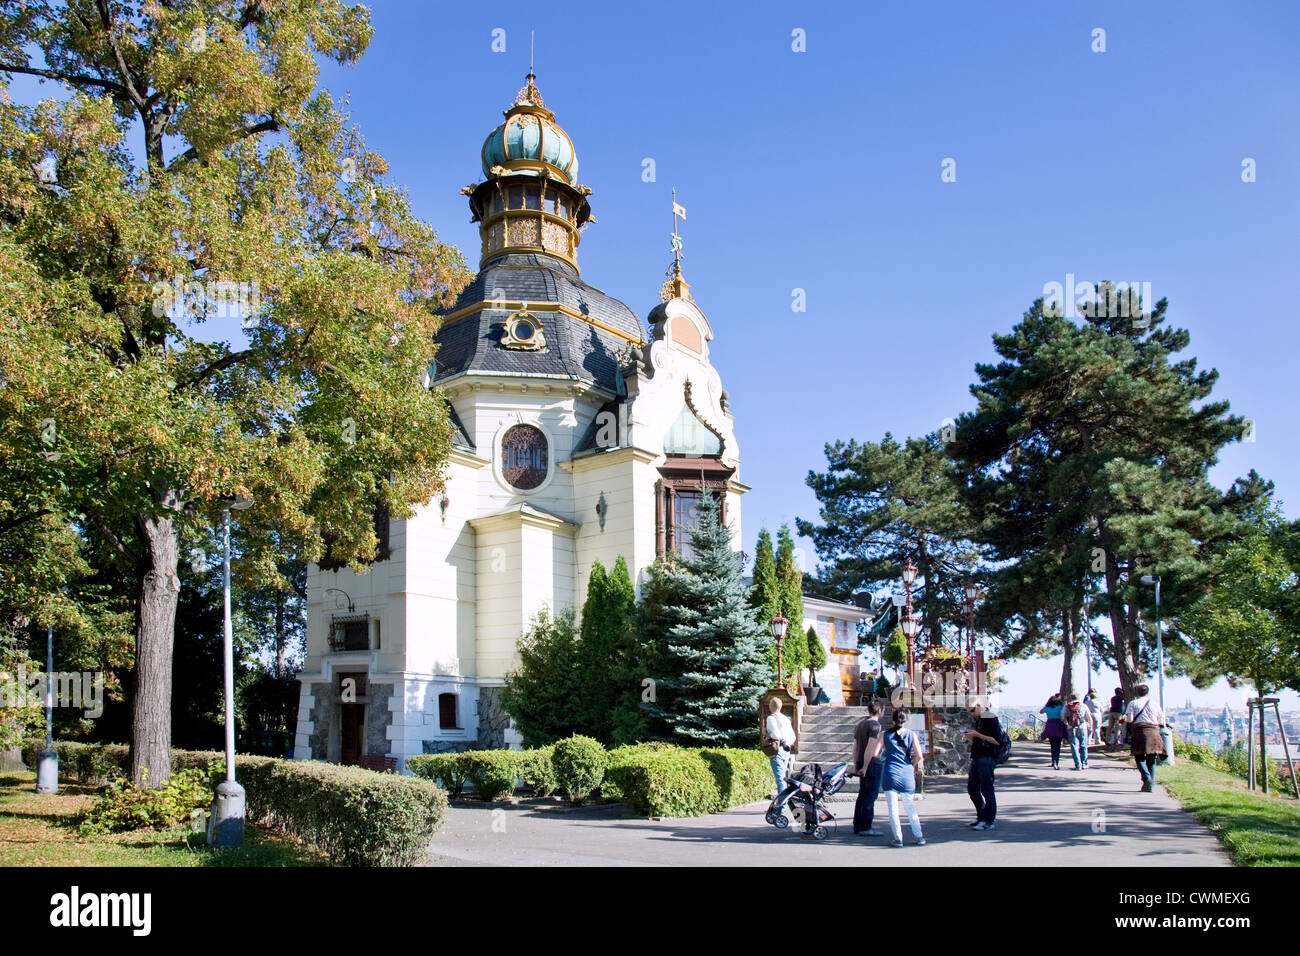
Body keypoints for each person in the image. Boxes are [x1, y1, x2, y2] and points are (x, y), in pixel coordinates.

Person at [880, 707, 926, 847]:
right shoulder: (911, 734)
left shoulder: (885, 735)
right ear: (906, 720)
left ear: (892, 719)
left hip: (891, 772)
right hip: (907, 773)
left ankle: (898, 838)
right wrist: (910, 764)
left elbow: (876, 753)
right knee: (910, 807)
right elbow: (919, 755)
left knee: (893, 809)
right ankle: (919, 836)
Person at [964, 697, 1002, 831]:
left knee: (987, 789)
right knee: (972, 789)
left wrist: (977, 735)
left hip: (987, 757)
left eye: (973, 710)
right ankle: (981, 816)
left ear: (979, 705)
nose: (972, 713)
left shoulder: (990, 717)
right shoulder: (980, 718)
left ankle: (989, 820)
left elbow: (997, 740)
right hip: (977, 755)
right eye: (969, 711)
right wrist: (973, 736)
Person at [851, 699, 885, 836]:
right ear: (880, 710)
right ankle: (866, 826)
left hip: (860, 761)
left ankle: (858, 825)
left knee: (862, 794)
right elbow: (871, 747)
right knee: (870, 795)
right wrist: (865, 766)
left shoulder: (860, 724)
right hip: (871, 764)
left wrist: (856, 764)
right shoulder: (875, 726)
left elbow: (855, 747)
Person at [1124, 683, 1167, 792]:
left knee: (1139, 757)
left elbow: (1129, 719)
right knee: (1151, 759)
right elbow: (1161, 721)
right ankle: (1150, 785)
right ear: (1148, 692)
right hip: (1153, 731)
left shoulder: (1132, 703)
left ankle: (1146, 777)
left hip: (1139, 731)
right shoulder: (1155, 704)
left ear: (1137, 693)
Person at [763, 697, 797, 807]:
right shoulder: (785, 719)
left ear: (771, 706)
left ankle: (782, 806)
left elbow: (775, 734)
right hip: (786, 750)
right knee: (783, 777)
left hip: (777, 750)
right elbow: (793, 736)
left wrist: (766, 733)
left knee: (780, 779)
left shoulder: (771, 718)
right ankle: (783, 802)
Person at [1063, 694, 1092, 770]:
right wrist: (1090, 726)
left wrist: (1067, 723)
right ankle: (1084, 763)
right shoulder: (1083, 706)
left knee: (1074, 746)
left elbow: (1062, 717)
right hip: (1082, 727)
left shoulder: (1067, 706)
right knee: (1083, 745)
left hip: (1071, 727)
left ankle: (1078, 764)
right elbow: (1089, 716)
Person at [1040, 693, 1067, 769]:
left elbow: (1041, 711)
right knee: (1057, 746)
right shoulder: (1060, 707)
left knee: (1052, 745)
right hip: (1058, 725)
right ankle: (1056, 762)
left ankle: (1053, 761)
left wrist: (1047, 705)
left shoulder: (1047, 708)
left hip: (1050, 726)